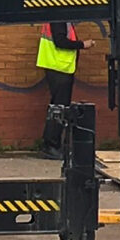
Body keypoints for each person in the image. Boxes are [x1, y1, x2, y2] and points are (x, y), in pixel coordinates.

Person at [37, 21, 95, 159]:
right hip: (59, 67)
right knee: (59, 108)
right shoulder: (59, 18)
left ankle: (53, 144)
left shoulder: (59, 18)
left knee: (58, 107)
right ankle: (51, 145)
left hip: (58, 67)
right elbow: (60, 41)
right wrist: (82, 44)